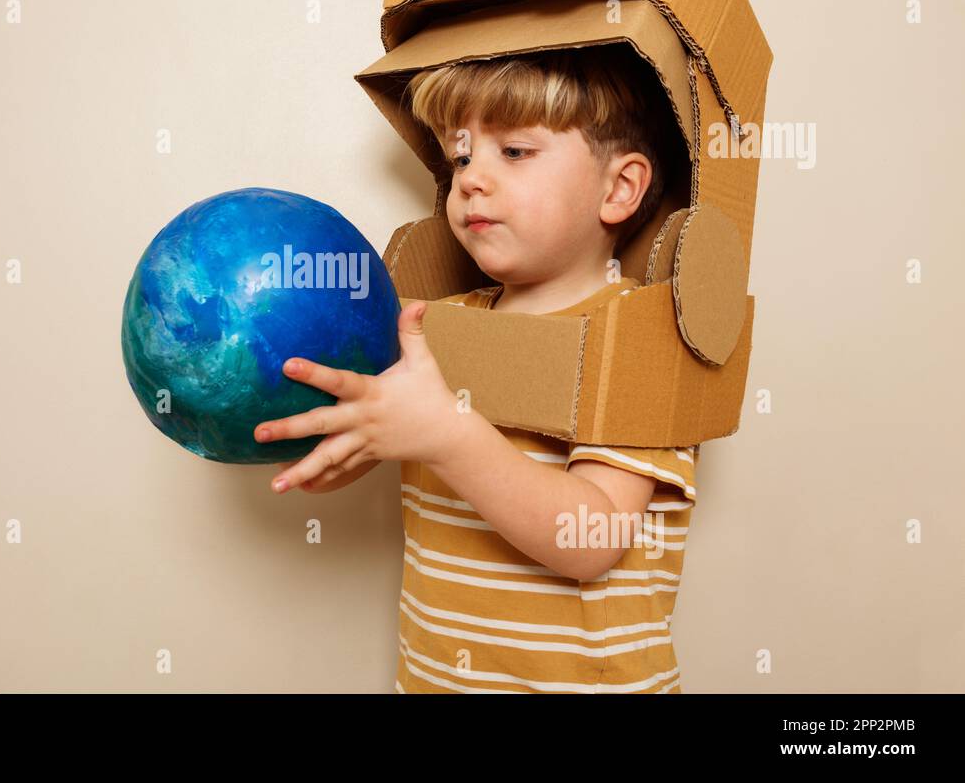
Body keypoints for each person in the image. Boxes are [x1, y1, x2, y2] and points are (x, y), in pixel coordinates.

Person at [254, 43, 699, 693]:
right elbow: (379, 434)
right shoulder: (432, 325)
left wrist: (448, 435)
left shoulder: (638, 333)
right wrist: (342, 449)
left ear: (618, 188)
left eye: (514, 152)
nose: (469, 179)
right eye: (460, 156)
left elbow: (593, 539)